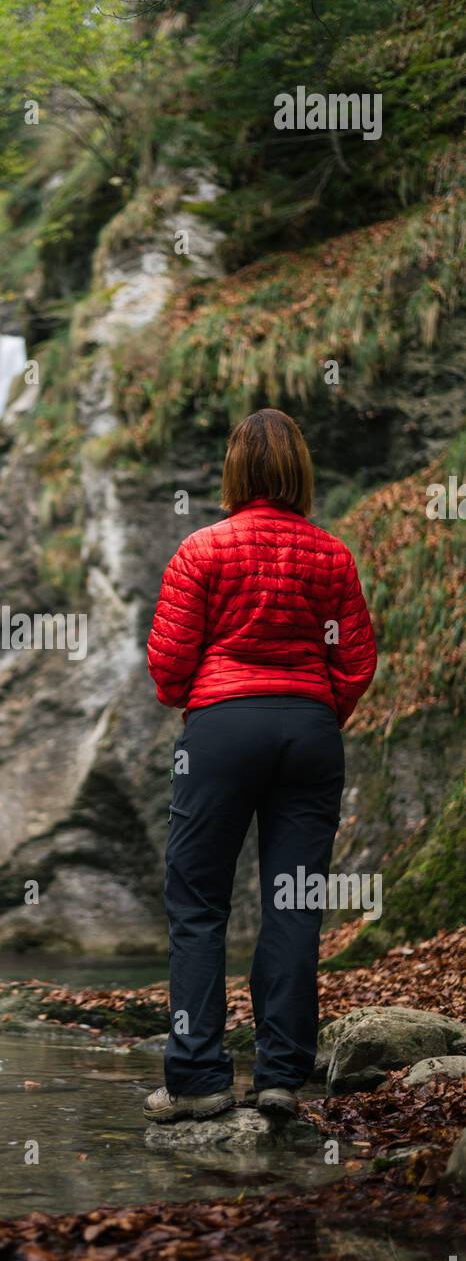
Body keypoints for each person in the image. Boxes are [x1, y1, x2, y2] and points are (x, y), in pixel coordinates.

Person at [145, 408, 377, 1122]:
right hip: (308, 733)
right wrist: (315, 710)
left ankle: (199, 1079)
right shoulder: (332, 555)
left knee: (198, 905)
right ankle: (280, 1077)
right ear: (301, 471)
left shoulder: (202, 550)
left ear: (235, 471)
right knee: (294, 903)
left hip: (221, 730)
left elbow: (168, 664)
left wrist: (211, 705)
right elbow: (357, 660)